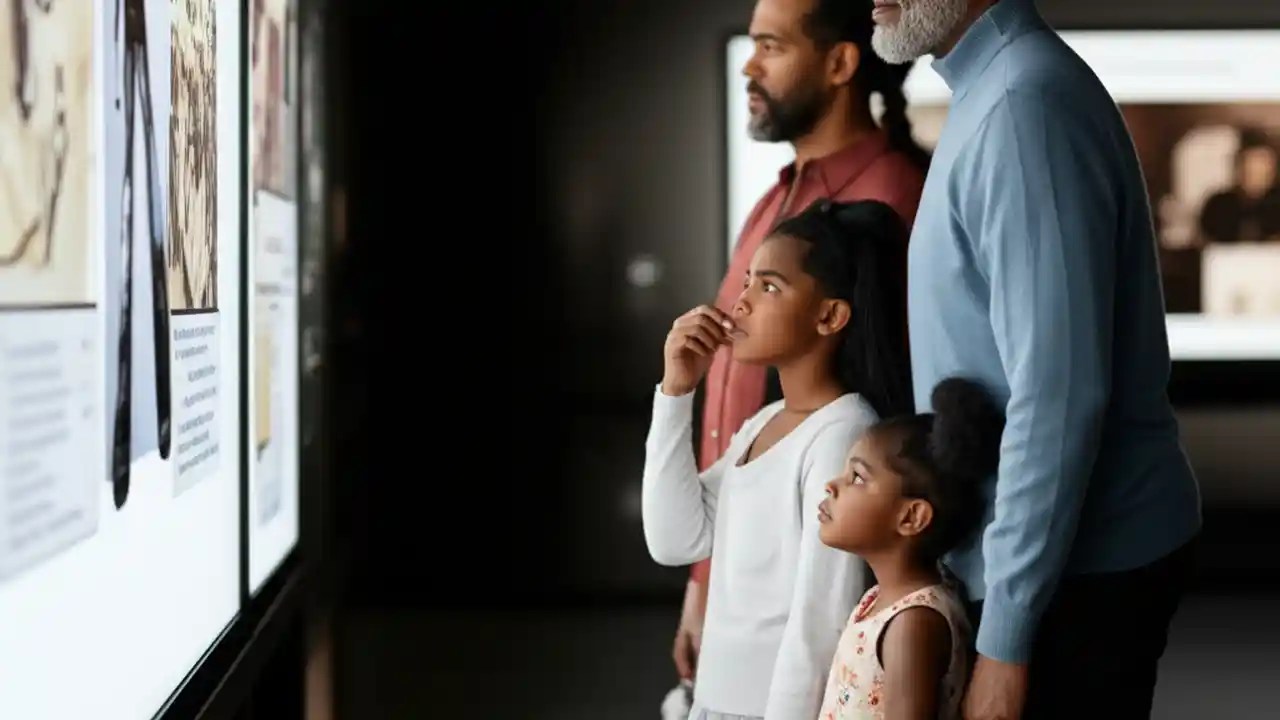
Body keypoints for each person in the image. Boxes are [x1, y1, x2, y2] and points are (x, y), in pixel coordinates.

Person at [868, 1, 1203, 718]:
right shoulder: (992, 90)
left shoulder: (1021, 106)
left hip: (1072, 579)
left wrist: (1007, 642)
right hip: (1053, 567)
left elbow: (1058, 394)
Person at [675, 0, 931, 689]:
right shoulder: (776, 201)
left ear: (841, 62)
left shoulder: (891, 203)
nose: (749, 67)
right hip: (742, 588)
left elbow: (901, 413)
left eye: (771, 47)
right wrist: (706, 583)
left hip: (815, 599)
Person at [643, 198, 915, 720]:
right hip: (714, 705)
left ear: (830, 315)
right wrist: (676, 393)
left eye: (769, 287)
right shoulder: (764, 423)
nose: (741, 302)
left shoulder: (842, 435)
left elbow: (820, 621)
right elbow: (674, 540)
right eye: (748, 281)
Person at [815, 377, 1005, 719]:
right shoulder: (881, 599)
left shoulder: (914, 622)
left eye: (857, 477)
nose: (832, 484)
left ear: (911, 516)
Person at [1198, 128, 1280, 244]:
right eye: (1249, 171)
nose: (1255, 178)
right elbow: (1207, 244)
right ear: (1237, 168)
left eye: (1260, 171)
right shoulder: (1217, 206)